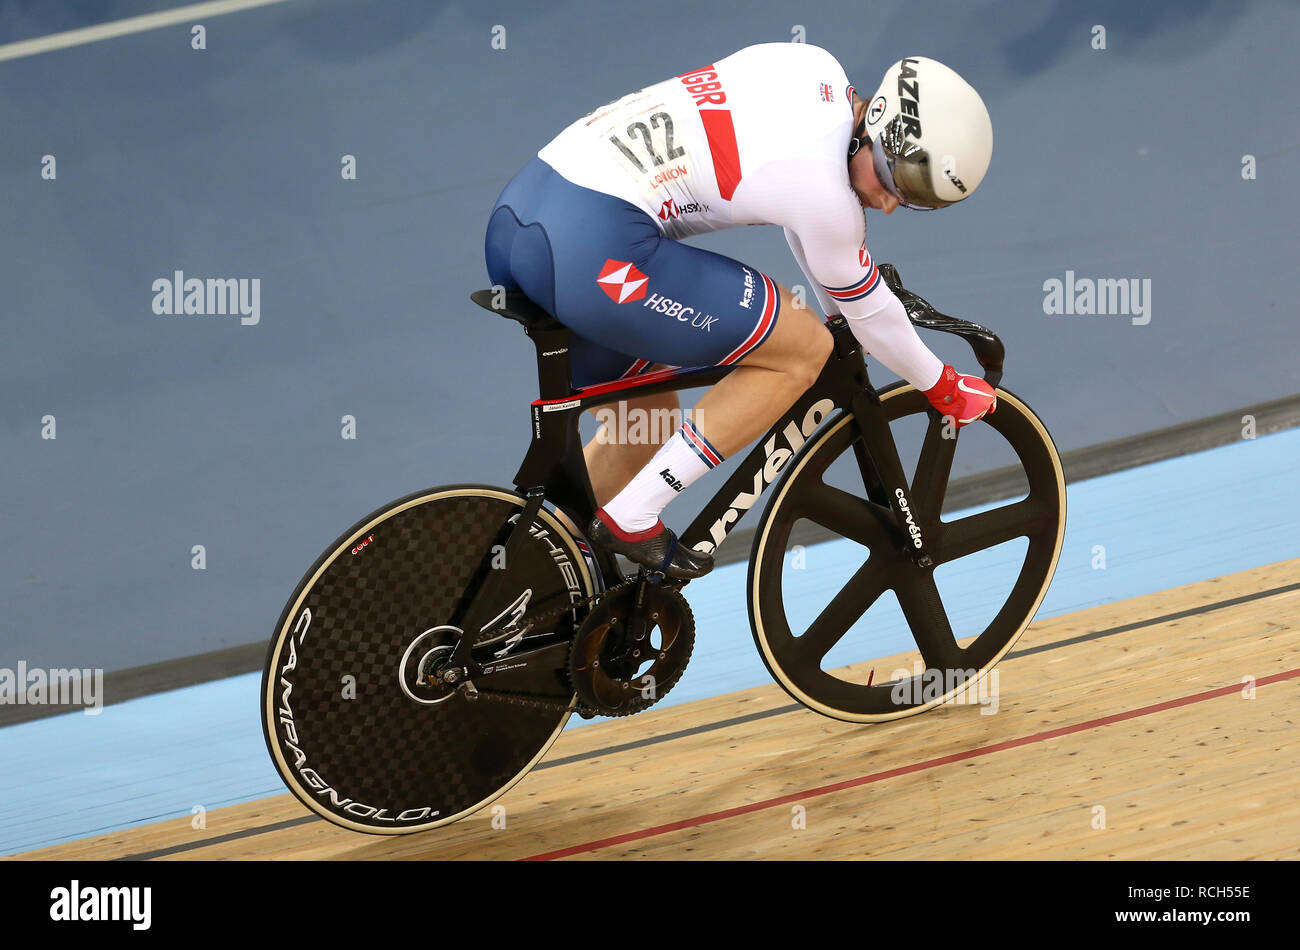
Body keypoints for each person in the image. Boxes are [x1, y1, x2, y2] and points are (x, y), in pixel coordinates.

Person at [484, 45, 997, 580]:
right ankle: (632, 518)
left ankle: (523, 579)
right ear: (876, 128)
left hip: (523, 215)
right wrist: (942, 386)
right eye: (894, 181)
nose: (891, 204)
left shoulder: (812, 64)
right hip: (593, 247)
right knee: (803, 351)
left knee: (646, 421)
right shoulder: (825, 194)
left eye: (915, 200)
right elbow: (866, 309)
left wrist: (845, 309)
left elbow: (811, 237)